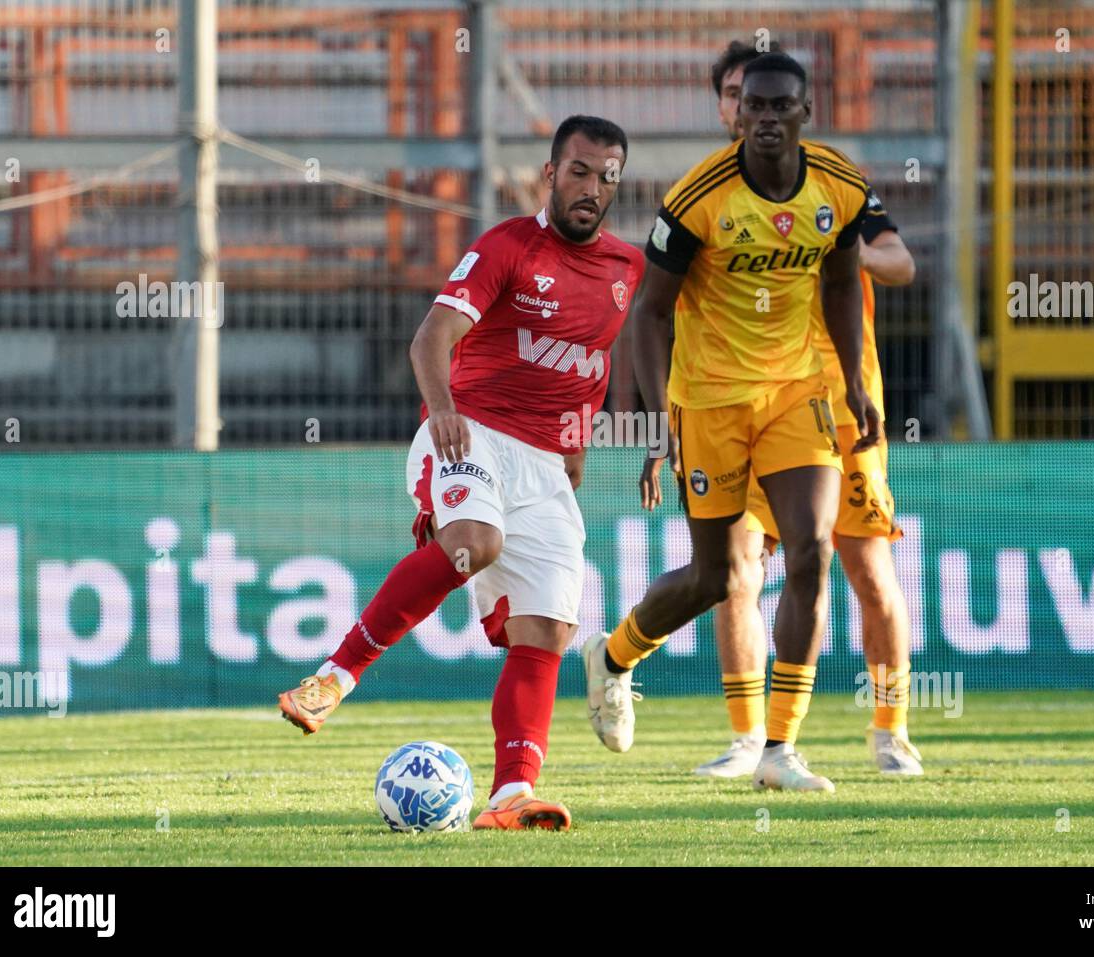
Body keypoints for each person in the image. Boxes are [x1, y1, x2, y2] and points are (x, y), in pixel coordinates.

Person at [278, 115, 644, 830]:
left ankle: (512, 793)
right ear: (549, 173)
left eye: (607, 178)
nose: (592, 188)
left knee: (548, 628)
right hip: (468, 430)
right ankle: (334, 676)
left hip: (545, 463)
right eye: (579, 171)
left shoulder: (625, 270)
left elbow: (590, 364)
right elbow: (431, 337)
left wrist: (576, 451)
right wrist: (442, 409)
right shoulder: (508, 246)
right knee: (475, 537)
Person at [582, 53, 879, 792]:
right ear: (736, 113)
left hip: (795, 392)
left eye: (783, 106)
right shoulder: (697, 198)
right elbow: (648, 313)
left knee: (810, 553)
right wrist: (660, 424)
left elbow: (842, 283)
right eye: (755, 106)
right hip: (709, 399)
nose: (768, 118)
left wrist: (851, 381)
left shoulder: (839, 187)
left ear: (805, 113)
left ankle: (779, 749)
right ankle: (614, 654)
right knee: (720, 576)